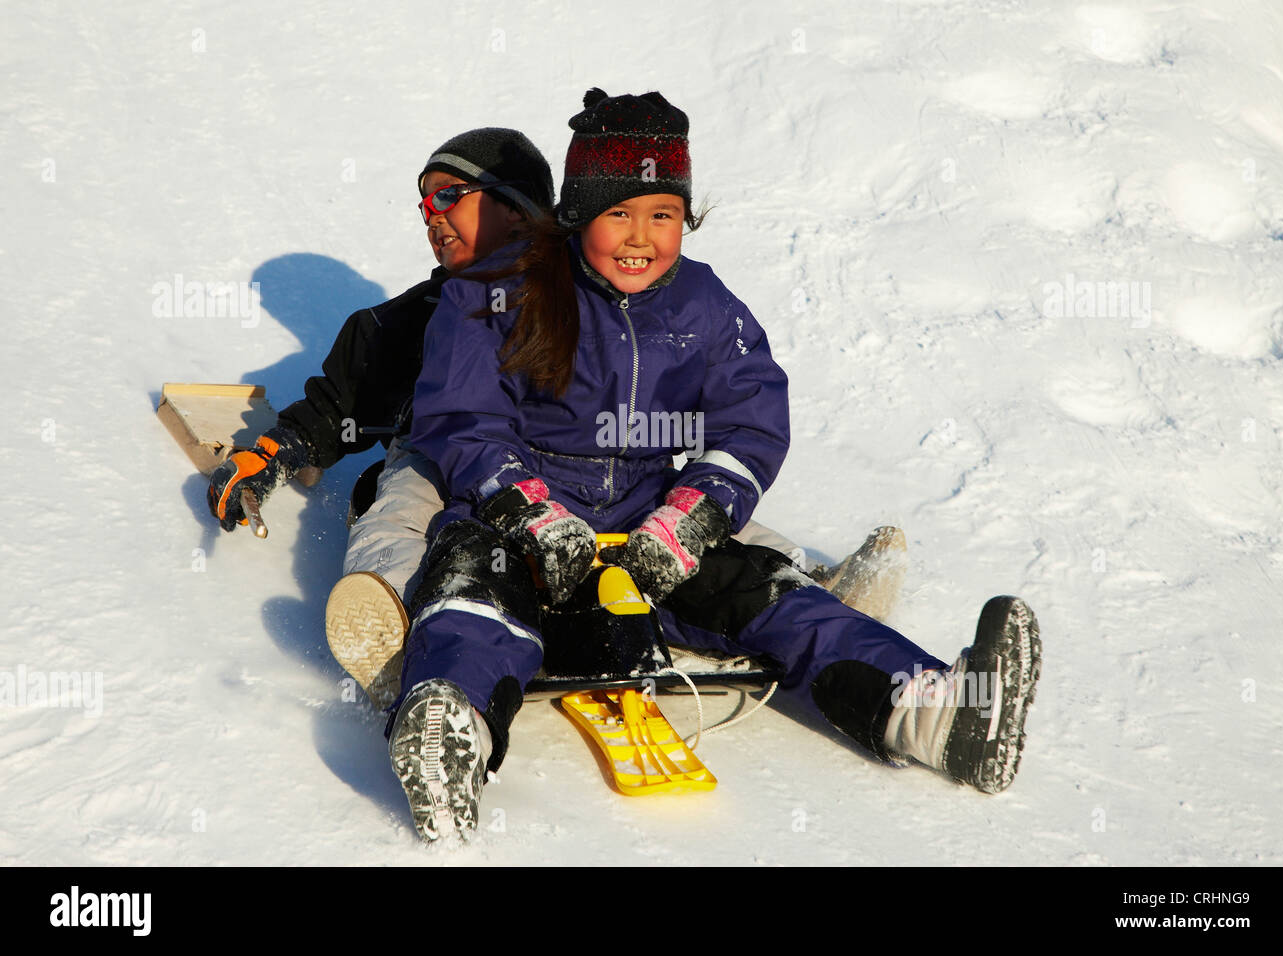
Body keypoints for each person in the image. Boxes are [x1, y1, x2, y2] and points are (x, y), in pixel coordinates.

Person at [390, 89, 1042, 844]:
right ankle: (449, 727)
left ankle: (931, 714)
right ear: (576, 216)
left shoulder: (703, 306)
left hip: (642, 518)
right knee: (472, 590)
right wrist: (525, 509)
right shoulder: (497, 292)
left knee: (771, 592)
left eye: (662, 215)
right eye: (620, 215)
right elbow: (463, 418)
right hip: (521, 514)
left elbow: (749, 419)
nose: (642, 238)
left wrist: (693, 516)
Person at [204, 127, 825, 712]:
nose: (432, 216)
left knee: (672, 503)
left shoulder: (595, 296)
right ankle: (392, 627)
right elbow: (334, 409)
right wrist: (268, 456)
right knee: (402, 506)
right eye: (423, 204)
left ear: (521, 206)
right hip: (440, 460)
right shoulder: (404, 323)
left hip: (573, 471)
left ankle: (805, 588)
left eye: (449, 195)